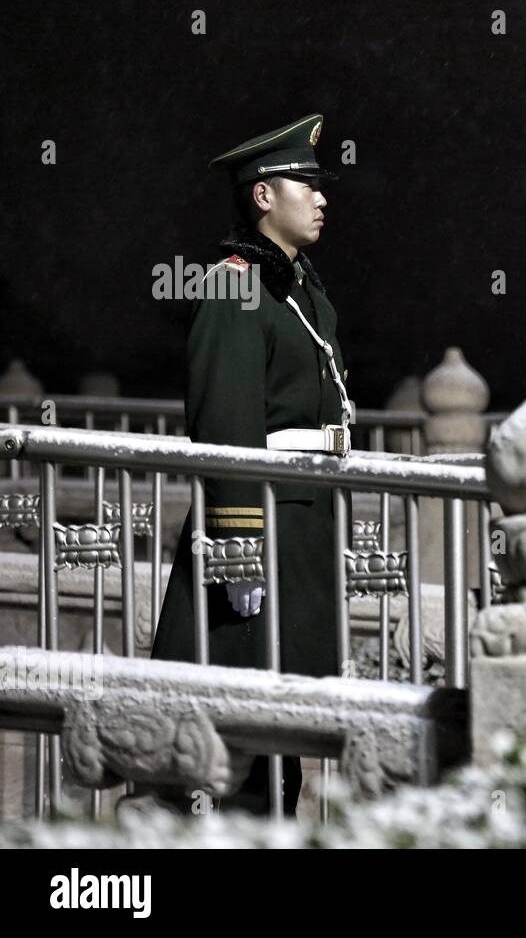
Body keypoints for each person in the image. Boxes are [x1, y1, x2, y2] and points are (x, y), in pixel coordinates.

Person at [143, 113, 350, 818]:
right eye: (305, 184)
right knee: (236, 730)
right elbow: (226, 423)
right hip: (260, 526)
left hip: (301, 522)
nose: (321, 198)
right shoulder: (235, 286)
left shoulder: (300, 289)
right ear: (263, 196)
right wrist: (237, 546)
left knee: (283, 723)